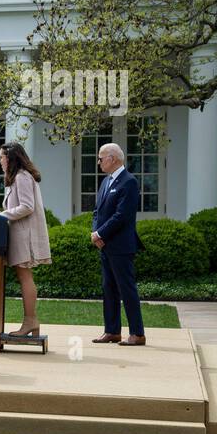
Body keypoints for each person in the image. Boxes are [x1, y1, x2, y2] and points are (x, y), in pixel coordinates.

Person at [90, 142, 147, 346]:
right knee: (109, 288)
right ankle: (112, 331)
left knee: (126, 289)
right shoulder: (106, 182)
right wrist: (96, 233)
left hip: (121, 246)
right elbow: (97, 211)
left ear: (112, 158)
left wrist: (100, 233)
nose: (98, 162)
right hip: (105, 245)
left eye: (100, 158)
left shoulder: (128, 182)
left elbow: (122, 215)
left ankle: (137, 333)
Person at [0, 141, 53, 338]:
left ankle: (30, 321)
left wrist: (2, 215)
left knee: (25, 277)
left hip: (24, 236)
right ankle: (32, 323)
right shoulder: (19, 177)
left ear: (10, 158)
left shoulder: (22, 177)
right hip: (21, 234)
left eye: (1, 157)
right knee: (24, 277)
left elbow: (27, 206)